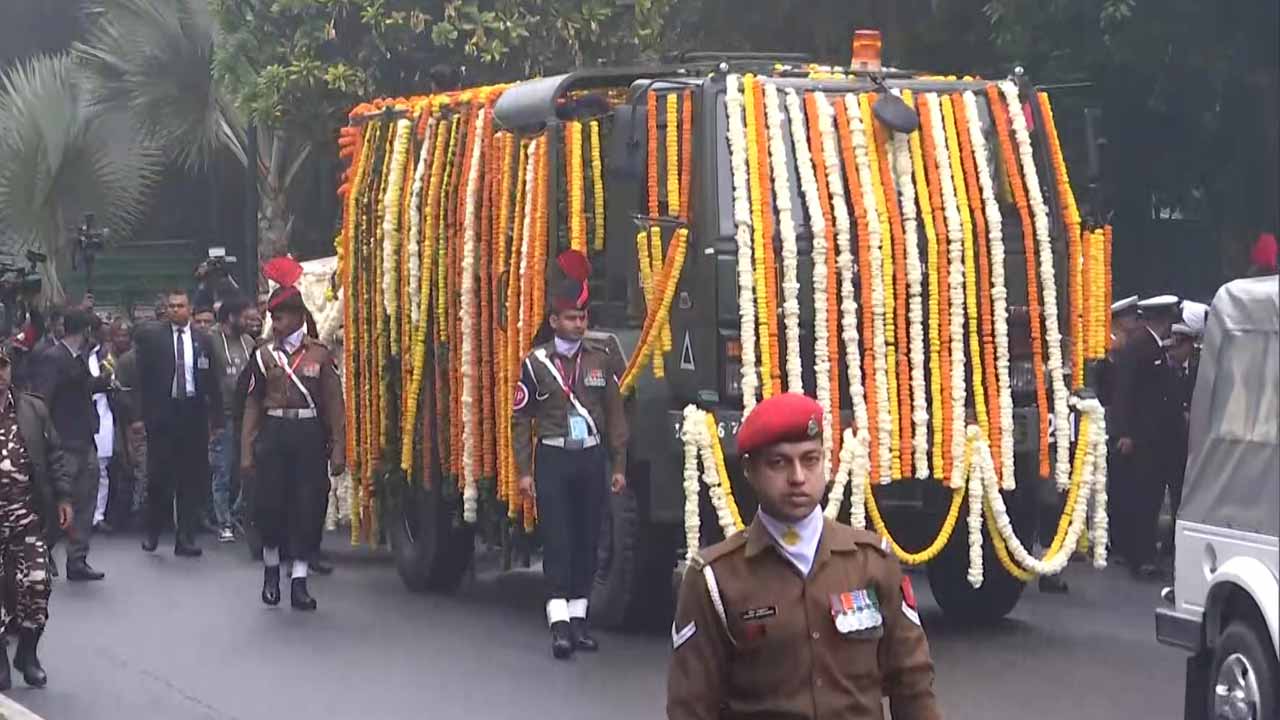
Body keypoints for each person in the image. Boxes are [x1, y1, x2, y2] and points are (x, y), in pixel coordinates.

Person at [666, 392, 940, 719]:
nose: (798, 477)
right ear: (750, 470)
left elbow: (912, 682)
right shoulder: (715, 579)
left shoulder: (870, 562)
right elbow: (691, 706)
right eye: (779, 463)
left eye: (810, 460)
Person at [511, 250, 628, 659]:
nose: (579, 325)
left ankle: (579, 622)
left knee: (587, 539)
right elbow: (521, 419)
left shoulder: (600, 359)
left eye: (583, 318)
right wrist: (524, 471)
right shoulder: (535, 363)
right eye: (572, 319)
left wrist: (618, 464)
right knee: (558, 540)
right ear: (554, 321)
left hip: (591, 459)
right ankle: (558, 624)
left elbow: (615, 414)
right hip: (554, 459)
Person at [241, 266, 345, 611]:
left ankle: (299, 580)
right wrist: (246, 451)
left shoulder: (319, 354)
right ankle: (272, 571)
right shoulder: (262, 355)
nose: (275, 322)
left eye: (281, 316)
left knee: (307, 507)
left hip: (308, 436)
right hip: (273, 434)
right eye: (273, 316)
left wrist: (339, 449)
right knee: (269, 507)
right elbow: (252, 405)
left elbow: (334, 404)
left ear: (299, 316)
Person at [0, 346, 73, 690]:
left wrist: (63, 497)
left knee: (38, 585)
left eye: (2, 367)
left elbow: (54, 455)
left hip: (28, 516)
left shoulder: (31, 408)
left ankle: (27, 654)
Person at [132, 289, 222, 557]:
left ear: (189, 308)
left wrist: (216, 418)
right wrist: (139, 416)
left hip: (192, 413)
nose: (175, 310)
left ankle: (185, 538)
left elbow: (212, 380)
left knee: (190, 478)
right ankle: (153, 530)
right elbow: (141, 380)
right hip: (162, 414)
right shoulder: (153, 337)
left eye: (180, 306)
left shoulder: (203, 340)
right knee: (159, 477)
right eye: (171, 306)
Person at [31, 309, 112, 582]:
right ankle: (41, 554)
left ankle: (77, 559)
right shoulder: (53, 359)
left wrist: (101, 383)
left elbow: (79, 388)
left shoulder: (76, 359)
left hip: (84, 437)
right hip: (64, 441)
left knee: (86, 499)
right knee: (59, 503)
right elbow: (43, 399)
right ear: (86, 331)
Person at [1111, 294, 1183, 579]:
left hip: (1155, 436)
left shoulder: (1150, 345)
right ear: (1163, 319)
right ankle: (1141, 558)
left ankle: (1143, 555)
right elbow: (1125, 392)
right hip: (1143, 437)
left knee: (1150, 497)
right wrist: (1125, 432)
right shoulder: (1140, 346)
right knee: (1143, 498)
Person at [208, 296, 254, 543]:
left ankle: (236, 513)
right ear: (231, 317)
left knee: (247, 467)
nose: (249, 322)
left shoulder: (248, 341)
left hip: (247, 414)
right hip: (222, 415)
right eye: (244, 317)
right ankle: (223, 521)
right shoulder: (211, 340)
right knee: (222, 470)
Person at [86, 318, 116, 534]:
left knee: (101, 469)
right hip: (80, 416)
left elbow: (112, 382)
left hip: (103, 414)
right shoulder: (76, 356)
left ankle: (98, 515)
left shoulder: (107, 356)